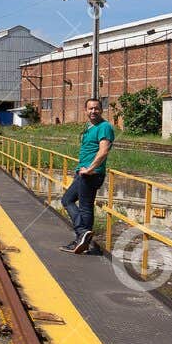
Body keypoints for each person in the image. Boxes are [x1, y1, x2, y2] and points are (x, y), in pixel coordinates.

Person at [61, 98, 115, 254]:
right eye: (90, 108)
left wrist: (90, 169)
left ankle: (81, 233)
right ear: (85, 110)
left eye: (96, 108)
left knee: (83, 206)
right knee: (69, 200)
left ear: (101, 110)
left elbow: (104, 150)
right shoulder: (89, 126)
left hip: (91, 174)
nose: (93, 111)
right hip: (83, 172)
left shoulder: (104, 127)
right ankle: (83, 239)